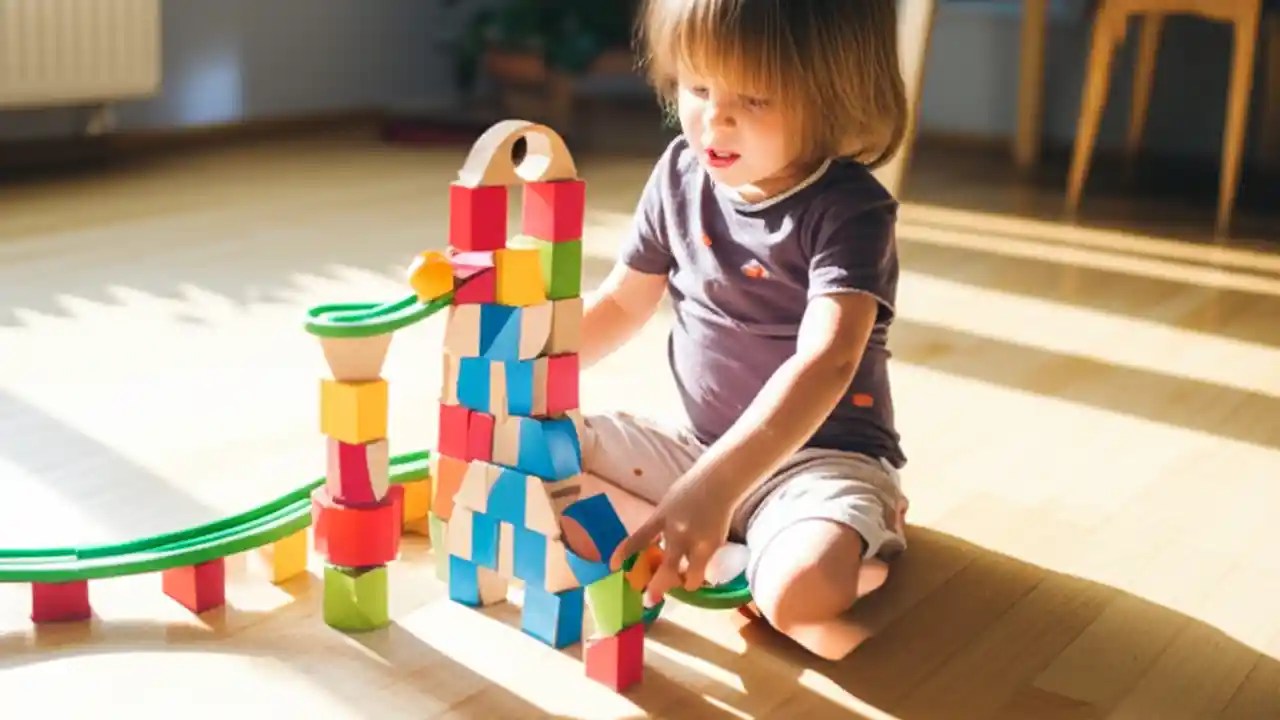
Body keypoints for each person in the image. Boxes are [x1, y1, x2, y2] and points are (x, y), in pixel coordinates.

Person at [577, 0, 911, 661]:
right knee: (540, 449)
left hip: (820, 465)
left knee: (796, 597)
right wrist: (529, 361)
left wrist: (715, 487)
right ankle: (728, 554)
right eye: (698, 87)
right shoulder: (678, 173)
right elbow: (620, 303)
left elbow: (828, 362)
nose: (715, 118)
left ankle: (837, 539)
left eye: (753, 98)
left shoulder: (851, 209)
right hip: (698, 450)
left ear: (832, 97)